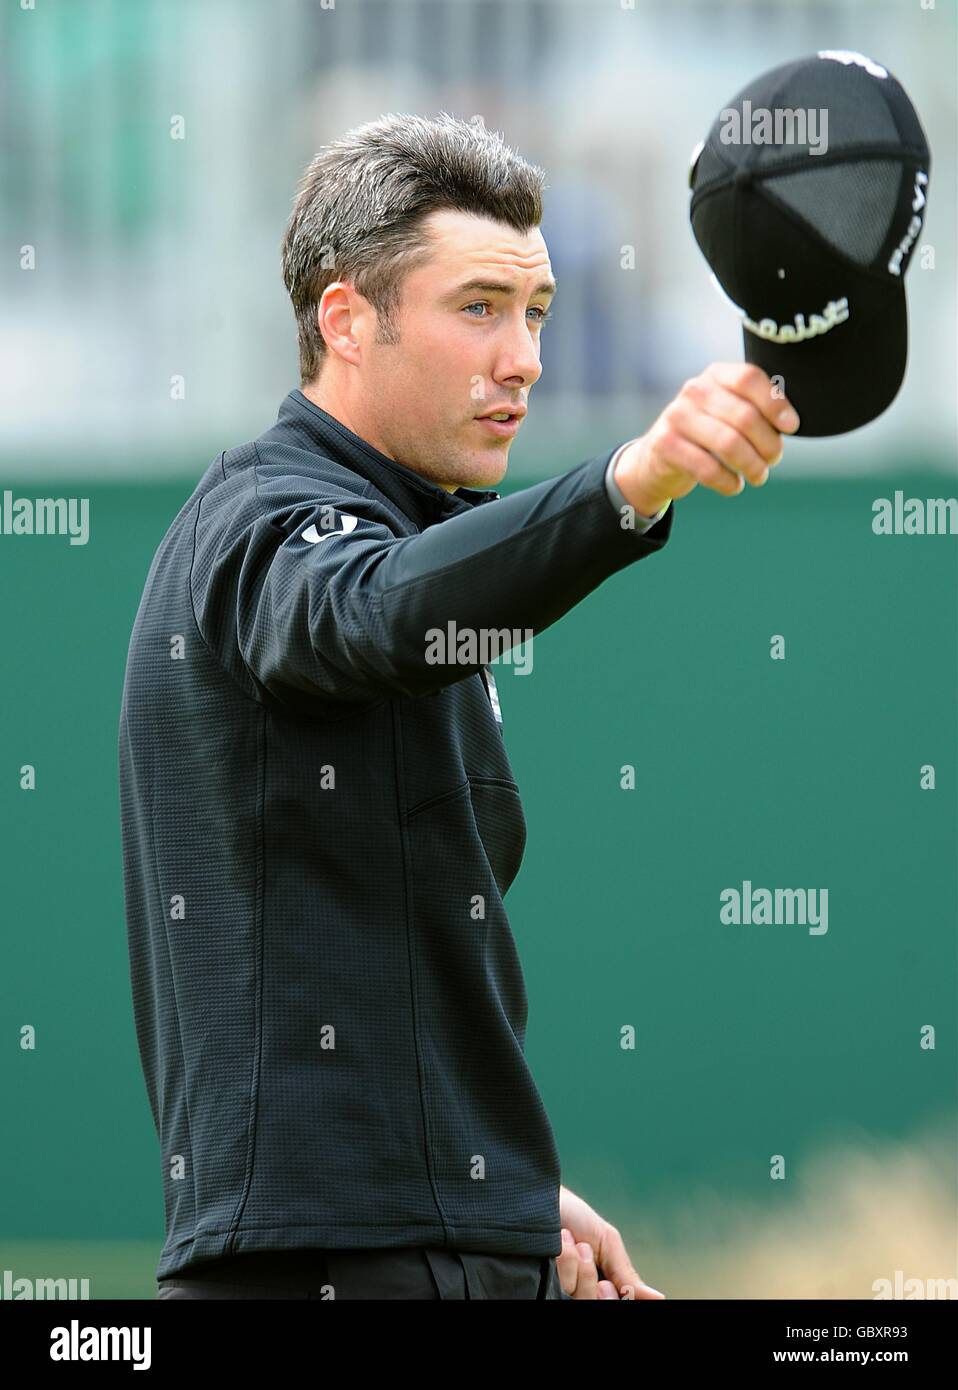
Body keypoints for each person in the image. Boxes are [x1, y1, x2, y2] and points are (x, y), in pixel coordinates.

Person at [118, 112, 798, 1301]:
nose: (524, 356)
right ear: (345, 320)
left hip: (419, 1238)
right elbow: (369, 610)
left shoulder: (403, 531)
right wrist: (630, 482)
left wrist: (493, 1192)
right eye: (478, 307)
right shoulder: (265, 518)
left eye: (534, 312)